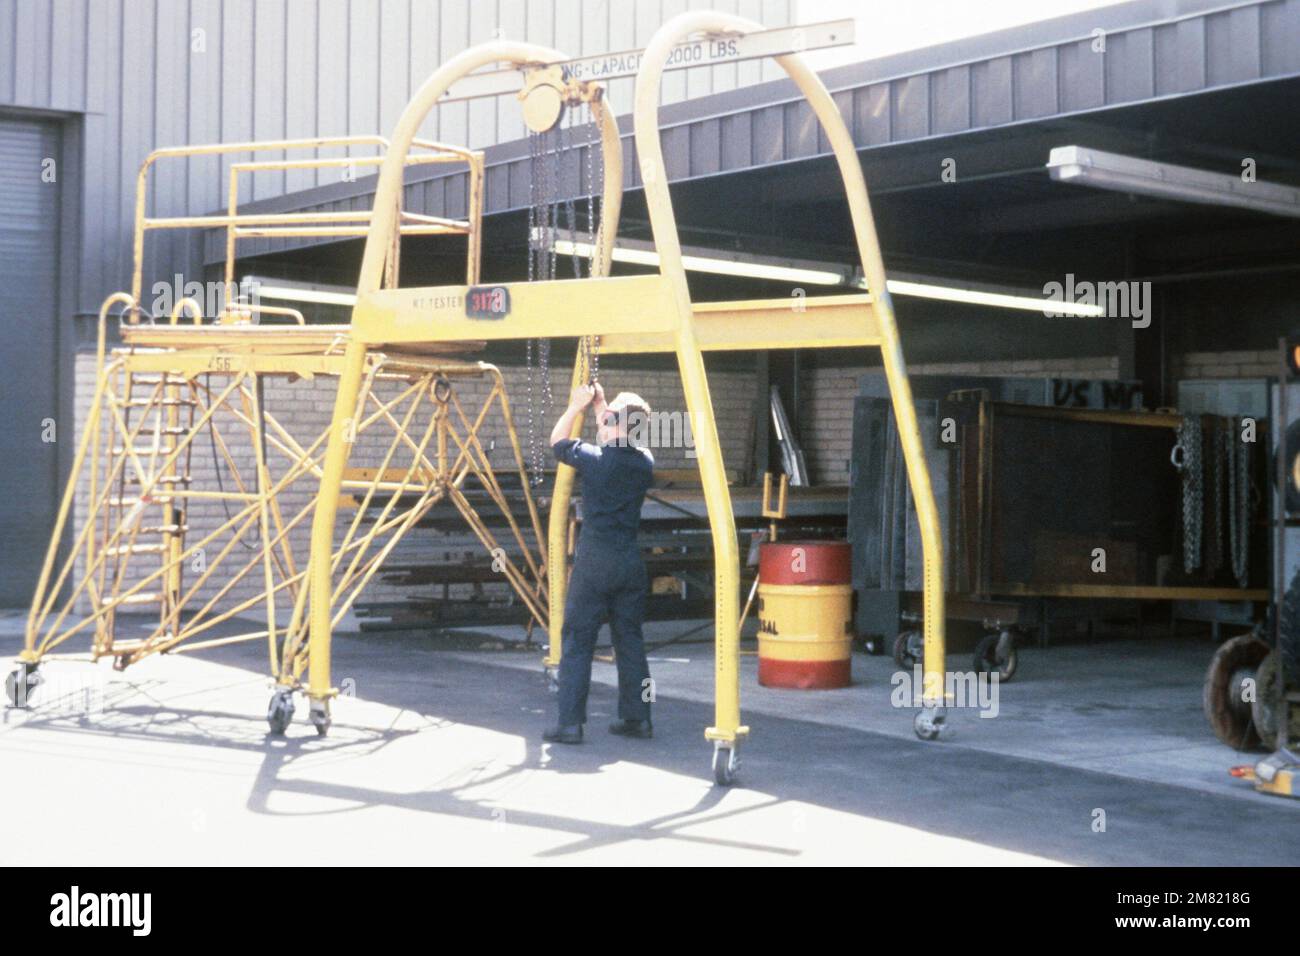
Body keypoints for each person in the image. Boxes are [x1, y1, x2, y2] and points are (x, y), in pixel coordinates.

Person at [543, 382, 655, 745]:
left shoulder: (595, 459)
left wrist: (575, 406)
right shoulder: (644, 463)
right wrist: (602, 404)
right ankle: (638, 718)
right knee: (631, 640)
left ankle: (570, 725)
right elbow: (615, 436)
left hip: (595, 564)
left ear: (617, 423)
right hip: (629, 563)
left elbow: (557, 440)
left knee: (577, 640)